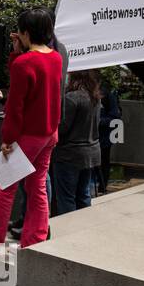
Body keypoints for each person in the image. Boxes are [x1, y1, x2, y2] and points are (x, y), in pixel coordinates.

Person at [0, 9, 63, 248]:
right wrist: (16, 54)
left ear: (25, 32)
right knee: (38, 186)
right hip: (49, 133)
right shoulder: (55, 57)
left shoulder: (24, 63)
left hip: (28, 136)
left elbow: (15, 105)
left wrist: (8, 139)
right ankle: (35, 239)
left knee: (5, 189)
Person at [54, 71, 102, 214]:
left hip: (69, 155)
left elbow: (62, 127)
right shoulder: (95, 97)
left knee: (66, 198)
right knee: (84, 194)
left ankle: (68, 230)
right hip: (91, 153)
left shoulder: (71, 98)